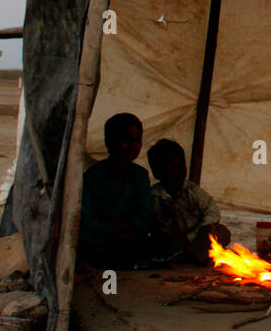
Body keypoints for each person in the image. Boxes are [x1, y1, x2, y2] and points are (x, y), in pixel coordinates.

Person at [79, 112, 157, 269]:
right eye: (126, 139)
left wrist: (126, 229)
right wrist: (114, 230)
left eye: (137, 140)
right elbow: (86, 222)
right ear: (109, 142)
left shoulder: (140, 175)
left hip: (130, 239)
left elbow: (146, 218)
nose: (132, 145)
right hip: (99, 242)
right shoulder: (92, 176)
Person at [146, 138, 231, 264]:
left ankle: (191, 256)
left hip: (196, 237)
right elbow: (155, 224)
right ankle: (190, 256)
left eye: (182, 165)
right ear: (158, 172)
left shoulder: (192, 190)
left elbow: (213, 213)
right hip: (173, 239)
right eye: (173, 167)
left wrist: (196, 233)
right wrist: (168, 218)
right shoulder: (154, 195)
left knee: (221, 231)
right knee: (160, 236)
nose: (180, 171)